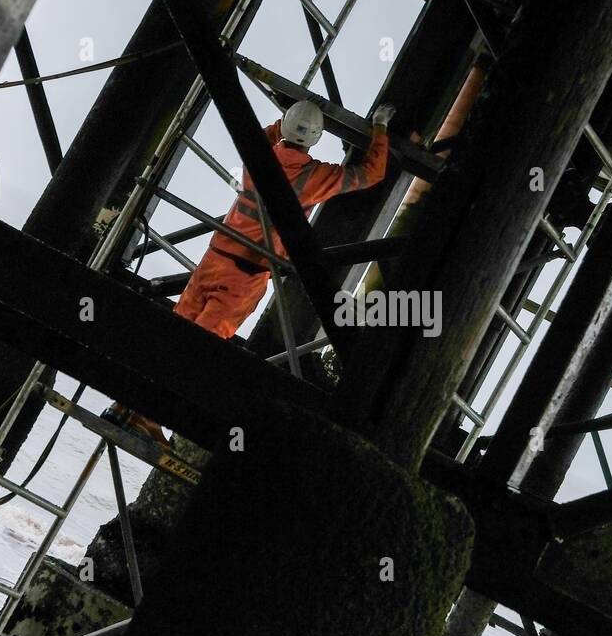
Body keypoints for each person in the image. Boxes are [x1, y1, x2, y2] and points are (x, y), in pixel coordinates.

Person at [108, 99, 396, 447]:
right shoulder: (315, 176)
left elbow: (260, 134)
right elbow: (371, 173)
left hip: (213, 260)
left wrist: (285, 120)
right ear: (317, 138)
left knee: (175, 334)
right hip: (244, 276)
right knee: (200, 351)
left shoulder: (256, 156)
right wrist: (380, 128)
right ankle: (147, 417)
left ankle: (126, 404)